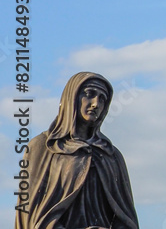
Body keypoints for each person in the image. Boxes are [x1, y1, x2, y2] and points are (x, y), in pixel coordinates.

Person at [17, 72, 140, 229]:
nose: (96, 103)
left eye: (102, 99)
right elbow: (29, 216)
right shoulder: (43, 147)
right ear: (72, 98)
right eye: (89, 94)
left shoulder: (111, 156)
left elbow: (126, 219)